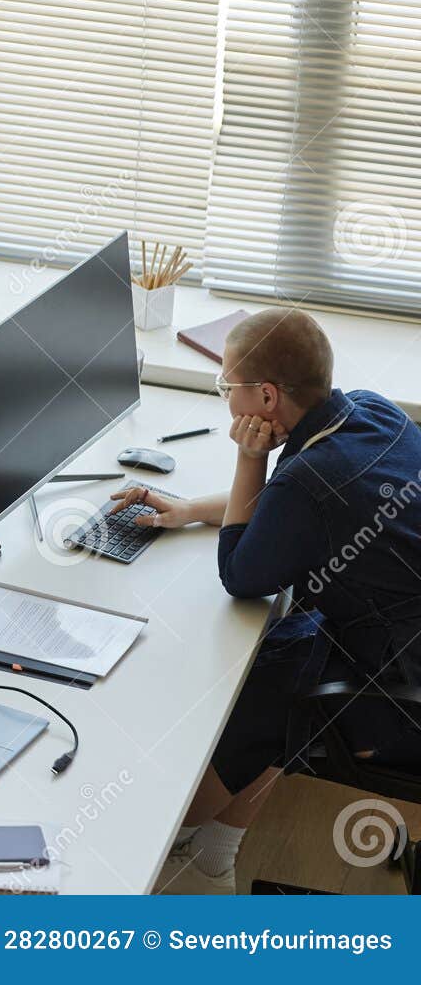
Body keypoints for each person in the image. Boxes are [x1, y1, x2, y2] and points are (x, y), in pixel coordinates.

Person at [109, 307, 421, 893]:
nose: (226, 397)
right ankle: (214, 854)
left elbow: (241, 574)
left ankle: (170, 840)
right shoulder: (372, 410)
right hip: (396, 634)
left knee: (258, 684)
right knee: (275, 653)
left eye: (228, 386)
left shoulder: (311, 479)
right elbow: (287, 507)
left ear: (268, 397)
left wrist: (249, 457)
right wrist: (189, 509)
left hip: (401, 692)